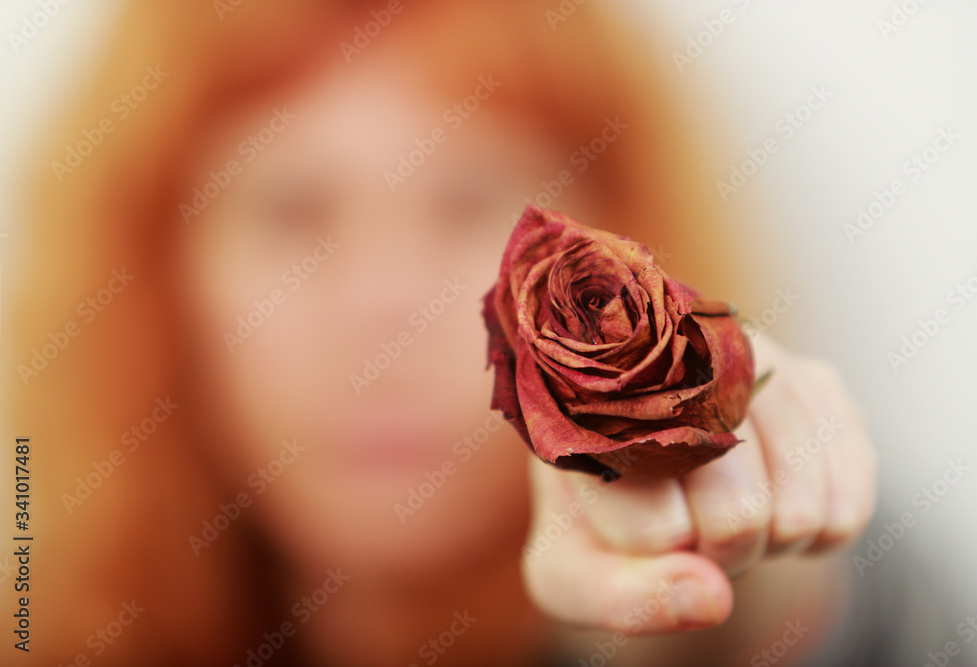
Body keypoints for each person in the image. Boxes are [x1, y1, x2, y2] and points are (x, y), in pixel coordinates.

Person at [5, 1, 876, 665]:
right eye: (292, 212)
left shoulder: (882, 606)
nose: (384, 305)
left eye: (467, 202)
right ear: (156, 279)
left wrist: (727, 594)